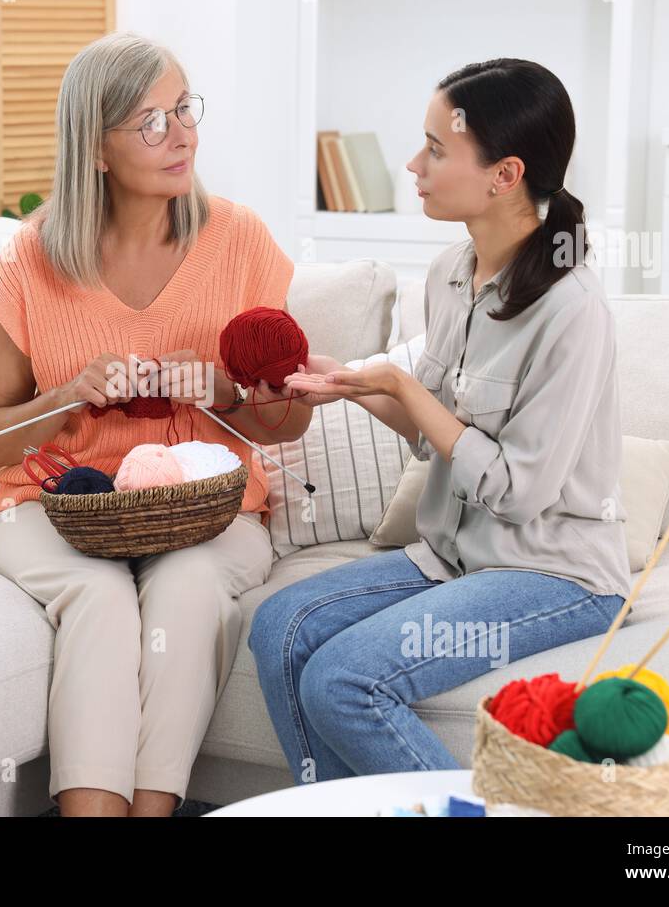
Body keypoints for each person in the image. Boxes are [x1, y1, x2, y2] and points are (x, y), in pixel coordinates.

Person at [248, 58, 632, 785]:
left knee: (340, 679)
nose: (412, 164)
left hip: (554, 571)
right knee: (280, 626)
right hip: (454, 555)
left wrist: (398, 380)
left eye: (435, 148)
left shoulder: (573, 312)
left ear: (504, 174)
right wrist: (352, 384)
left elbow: (518, 491)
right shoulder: (451, 275)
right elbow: (433, 433)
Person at [0, 31, 314, 816]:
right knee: (98, 598)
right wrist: (64, 396)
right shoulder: (31, 260)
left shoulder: (239, 239)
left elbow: (286, 421)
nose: (182, 133)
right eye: (151, 122)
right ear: (95, 148)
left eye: (184, 108)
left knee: (190, 590)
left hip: (209, 508)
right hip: (60, 505)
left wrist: (223, 392)